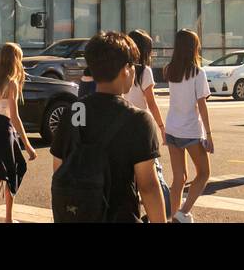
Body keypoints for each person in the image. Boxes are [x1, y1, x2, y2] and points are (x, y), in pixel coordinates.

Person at [50, 31, 165, 223]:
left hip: (78, 215)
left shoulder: (75, 111)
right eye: (133, 65)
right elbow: (148, 187)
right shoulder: (138, 119)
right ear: (125, 70)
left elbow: (59, 168)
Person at [0, 43, 36, 223]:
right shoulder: (11, 82)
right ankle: (8, 219)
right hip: (3, 129)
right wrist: (28, 145)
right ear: (15, 60)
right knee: (13, 172)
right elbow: (15, 117)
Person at [163, 28, 213, 223]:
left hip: (172, 128)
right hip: (190, 130)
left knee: (179, 178)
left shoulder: (170, 70)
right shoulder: (197, 73)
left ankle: (175, 214)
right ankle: (183, 212)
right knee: (204, 173)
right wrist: (209, 134)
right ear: (193, 48)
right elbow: (202, 105)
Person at [126, 29, 171, 218]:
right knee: (151, 175)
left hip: (122, 125)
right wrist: (161, 127)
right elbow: (151, 103)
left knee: (130, 178)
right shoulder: (145, 71)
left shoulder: (124, 69)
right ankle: (158, 214)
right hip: (141, 127)